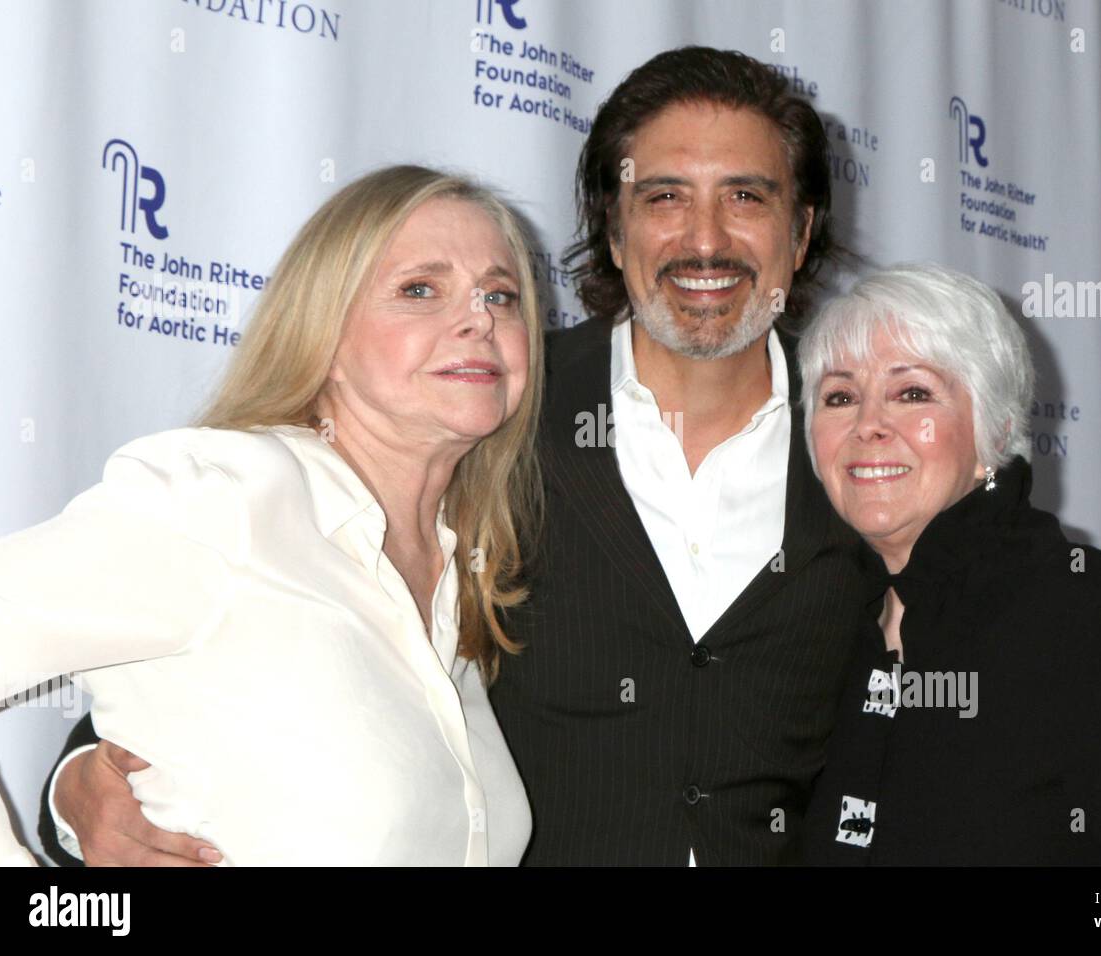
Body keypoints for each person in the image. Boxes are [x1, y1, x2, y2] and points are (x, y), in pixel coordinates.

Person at [43, 47, 871, 867]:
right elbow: (267, 603)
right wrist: (83, 782)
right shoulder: (487, 411)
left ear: (800, 234)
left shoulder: (870, 444)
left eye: (746, 197)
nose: (705, 240)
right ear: (614, 232)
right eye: (663, 197)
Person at [0, 164, 545, 865]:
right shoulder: (225, 498)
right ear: (325, 337)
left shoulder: (457, 570)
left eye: (501, 294)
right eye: (420, 290)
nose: (479, 319)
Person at [797, 263, 1101, 864]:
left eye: (913, 393)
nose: (868, 427)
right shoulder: (822, 632)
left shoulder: (1099, 619)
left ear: (997, 429)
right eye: (840, 397)